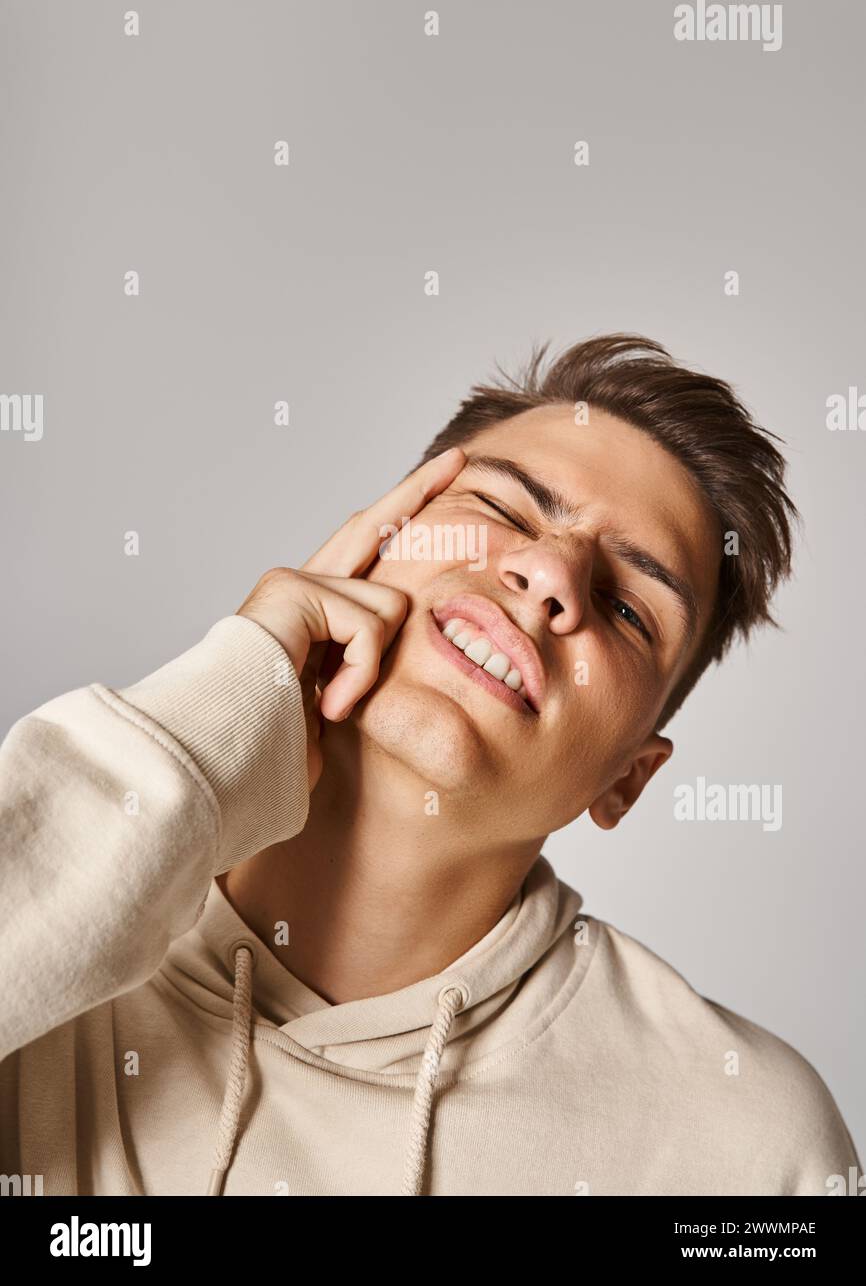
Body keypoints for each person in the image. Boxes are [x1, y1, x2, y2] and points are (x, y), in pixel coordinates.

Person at [0, 334, 859, 1197]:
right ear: (369, 549)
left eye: (627, 608)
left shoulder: (747, 1145)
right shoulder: (47, 944)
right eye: (506, 511)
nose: (549, 571)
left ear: (625, 778)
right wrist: (218, 706)